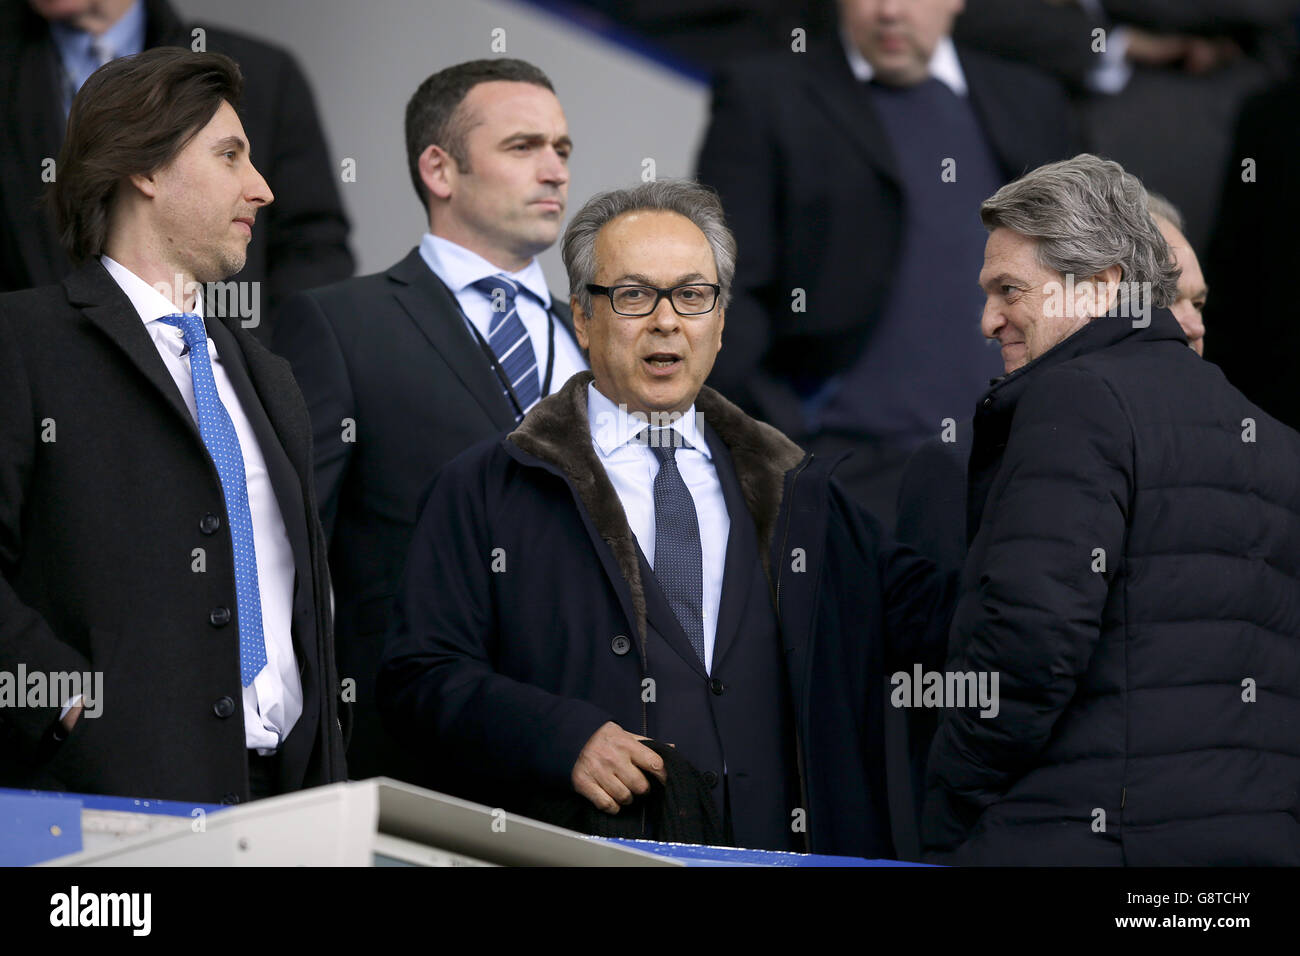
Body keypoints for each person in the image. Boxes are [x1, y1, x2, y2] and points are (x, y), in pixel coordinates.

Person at [378, 179, 955, 857]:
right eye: (633, 296)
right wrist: (561, 739)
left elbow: (941, 621)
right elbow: (420, 676)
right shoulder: (488, 487)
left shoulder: (802, 490)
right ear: (583, 318)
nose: (666, 320)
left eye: (692, 295)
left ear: (719, 319)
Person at [921, 154, 1300, 865]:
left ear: (1102, 288)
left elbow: (1028, 642)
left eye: (1009, 290)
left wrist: (953, 798)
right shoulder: (1279, 444)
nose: (987, 319)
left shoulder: (1076, 399)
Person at [0, 48, 346, 805]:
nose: (262, 188)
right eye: (230, 156)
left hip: (288, 804)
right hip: (107, 806)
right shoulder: (22, 342)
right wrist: (64, 713)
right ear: (146, 168)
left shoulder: (268, 375)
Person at [272, 59, 587, 784]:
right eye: (523, 147)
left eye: (562, 150)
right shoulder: (340, 324)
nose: (555, 171)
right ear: (440, 170)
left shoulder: (603, 340)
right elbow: (285, 547)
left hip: (592, 756)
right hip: (413, 755)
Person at [695, 0, 1077, 529]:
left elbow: (1082, 272)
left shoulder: (1032, 100)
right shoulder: (765, 94)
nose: (889, 11)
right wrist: (778, 437)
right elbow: (722, 285)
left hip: (1012, 467)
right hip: (840, 467)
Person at [0, 0, 354, 344]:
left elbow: (313, 249)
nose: (261, 190)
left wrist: (262, 380)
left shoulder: (262, 74)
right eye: (229, 154)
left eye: (232, 154)